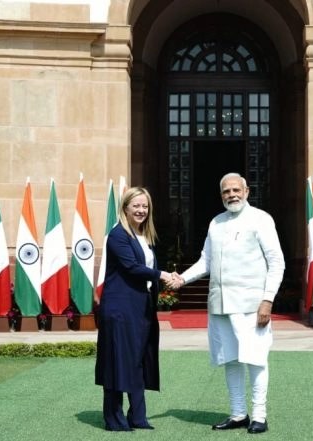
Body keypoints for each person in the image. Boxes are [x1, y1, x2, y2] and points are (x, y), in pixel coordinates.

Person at [171, 172, 285, 435]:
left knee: (256, 359)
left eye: (236, 190)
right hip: (220, 304)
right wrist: (182, 279)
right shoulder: (216, 223)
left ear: (247, 191)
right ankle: (238, 414)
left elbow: (276, 262)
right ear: (221, 195)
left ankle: (259, 415)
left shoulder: (261, 219)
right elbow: (206, 261)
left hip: (251, 304)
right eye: (226, 191)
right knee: (230, 360)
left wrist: (267, 300)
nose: (231, 195)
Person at [95, 186, 174, 432]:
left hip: (141, 308)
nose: (141, 210)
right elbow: (131, 267)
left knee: (138, 360)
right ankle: (114, 419)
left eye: (145, 206)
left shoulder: (145, 236)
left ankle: (138, 417)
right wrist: (163, 275)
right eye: (136, 206)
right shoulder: (118, 235)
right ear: (125, 208)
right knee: (118, 361)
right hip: (120, 309)